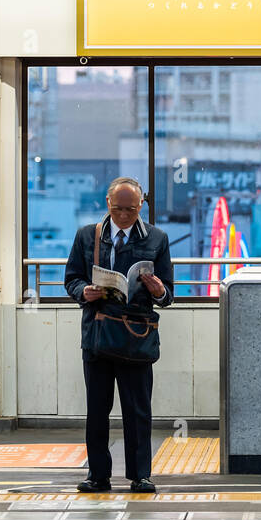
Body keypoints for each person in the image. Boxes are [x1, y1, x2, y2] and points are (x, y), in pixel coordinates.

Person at [64, 177, 174, 493]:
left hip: (136, 336)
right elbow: (71, 278)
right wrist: (83, 291)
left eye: (129, 209)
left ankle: (140, 475)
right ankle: (98, 475)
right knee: (97, 409)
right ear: (107, 205)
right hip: (98, 335)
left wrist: (158, 289)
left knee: (137, 410)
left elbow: (168, 295)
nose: (123, 215)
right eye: (117, 209)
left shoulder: (157, 238)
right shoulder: (88, 236)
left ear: (141, 206)